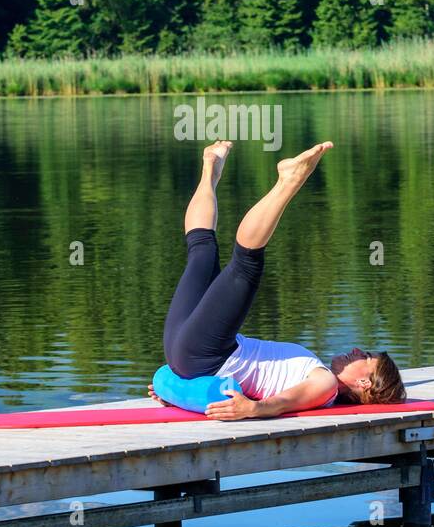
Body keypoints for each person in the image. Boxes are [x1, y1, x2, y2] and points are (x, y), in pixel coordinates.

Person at [154, 140, 404, 421]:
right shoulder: (318, 375)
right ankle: (210, 168)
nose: (357, 350)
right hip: (184, 349)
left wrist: (254, 409)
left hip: (206, 353)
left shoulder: (326, 385)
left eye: (366, 357)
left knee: (246, 264)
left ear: (365, 383)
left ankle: (289, 180)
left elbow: (283, 402)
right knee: (202, 251)